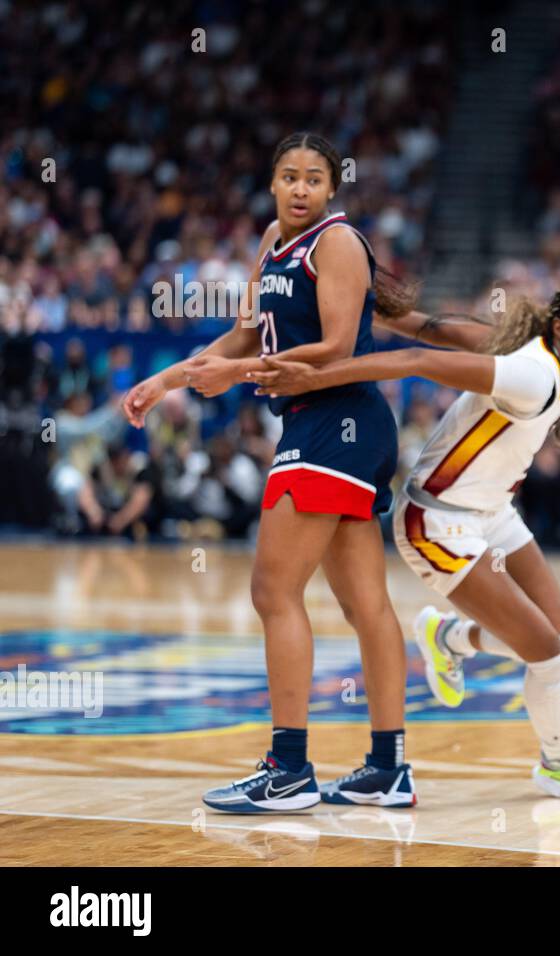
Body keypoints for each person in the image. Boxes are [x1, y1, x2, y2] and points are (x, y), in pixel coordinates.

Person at [121, 132, 422, 811]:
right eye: (288, 176)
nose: (299, 189)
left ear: (330, 189)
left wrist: (240, 373)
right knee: (361, 604)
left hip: (336, 420)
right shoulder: (272, 241)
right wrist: (165, 379)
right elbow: (244, 333)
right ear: (271, 183)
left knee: (272, 590)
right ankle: (387, 766)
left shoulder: (338, 243)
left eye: (313, 179)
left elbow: (338, 346)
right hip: (328, 426)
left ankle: (288, 768)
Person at [251, 283, 560, 801]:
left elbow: (430, 329)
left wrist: (372, 305)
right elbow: (419, 359)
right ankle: (558, 761)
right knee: (549, 655)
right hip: (439, 522)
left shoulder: (548, 361)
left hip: (492, 514)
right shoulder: (534, 376)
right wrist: (314, 374)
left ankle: (450, 639)